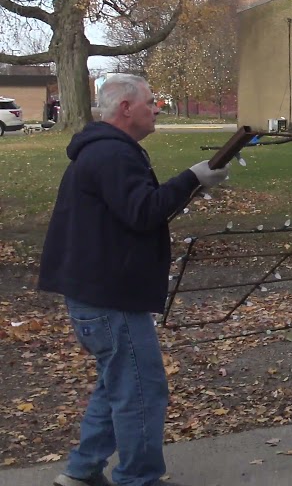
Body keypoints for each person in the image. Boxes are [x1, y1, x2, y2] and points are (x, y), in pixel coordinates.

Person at [37, 74, 229, 486]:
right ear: (125, 108)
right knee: (142, 390)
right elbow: (144, 212)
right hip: (109, 297)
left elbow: (135, 213)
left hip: (98, 291)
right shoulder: (111, 155)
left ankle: (82, 471)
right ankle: (138, 478)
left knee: (119, 385)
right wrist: (192, 179)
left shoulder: (108, 151)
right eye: (150, 102)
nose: (156, 108)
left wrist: (190, 187)